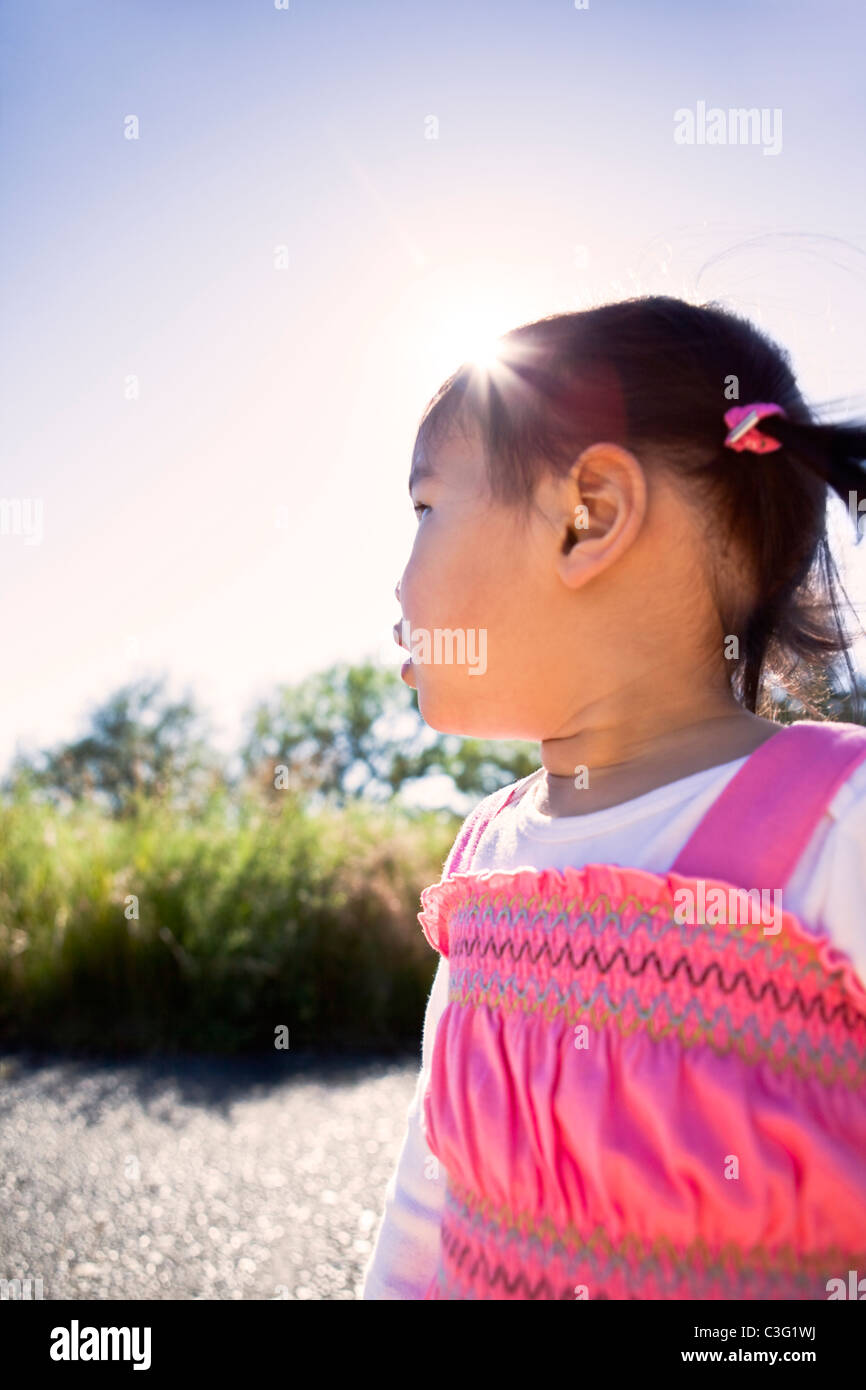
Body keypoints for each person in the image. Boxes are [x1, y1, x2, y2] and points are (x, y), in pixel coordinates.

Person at [360, 295, 866, 1300]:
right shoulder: (487, 858)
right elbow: (431, 1191)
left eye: (423, 509)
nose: (395, 581)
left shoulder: (832, 820)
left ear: (585, 515)